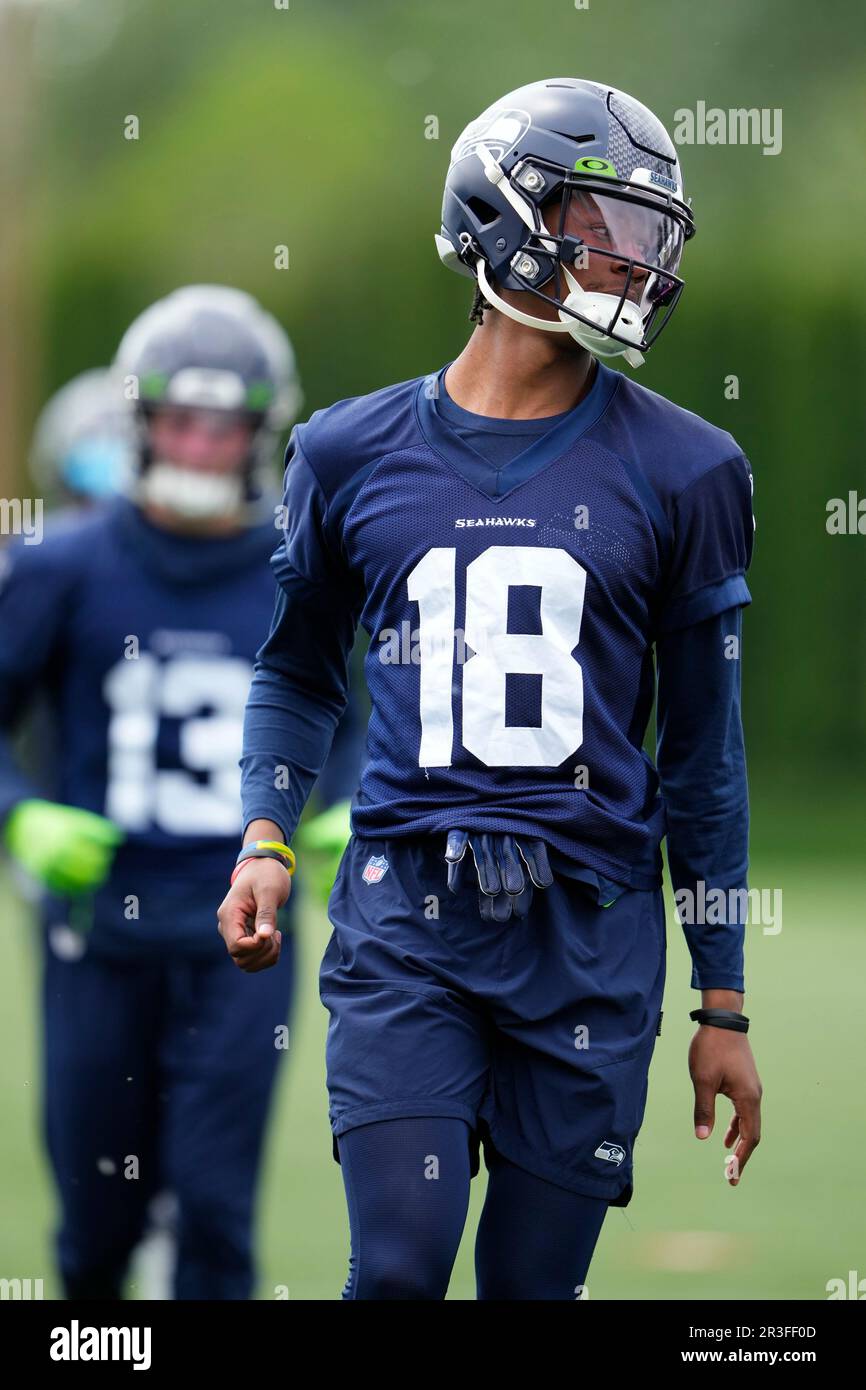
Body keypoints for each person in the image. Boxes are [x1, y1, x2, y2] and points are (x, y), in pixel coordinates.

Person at [219, 78, 763, 1301]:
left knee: (529, 1292)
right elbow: (297, 670)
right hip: (408, 918)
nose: (632, 261)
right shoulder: (346, 451)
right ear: (503, 216)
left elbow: (702, 760)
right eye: (602, 224)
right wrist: (263, 834)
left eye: (646, 235)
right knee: (400, 1271)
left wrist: (720, 1000)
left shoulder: (688, 470)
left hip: (588, 940)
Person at [0, 285, 357, 1299]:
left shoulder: (300, 570)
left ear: (261, 432)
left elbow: (361, 719)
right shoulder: (59, 564)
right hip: (95, 936)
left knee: (212, 1211)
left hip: (237, 937)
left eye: (225, 424)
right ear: (140, 421)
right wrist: (20, 814)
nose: (201, 447)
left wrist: (341, 797)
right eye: (180, 420)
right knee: (94, 1228)